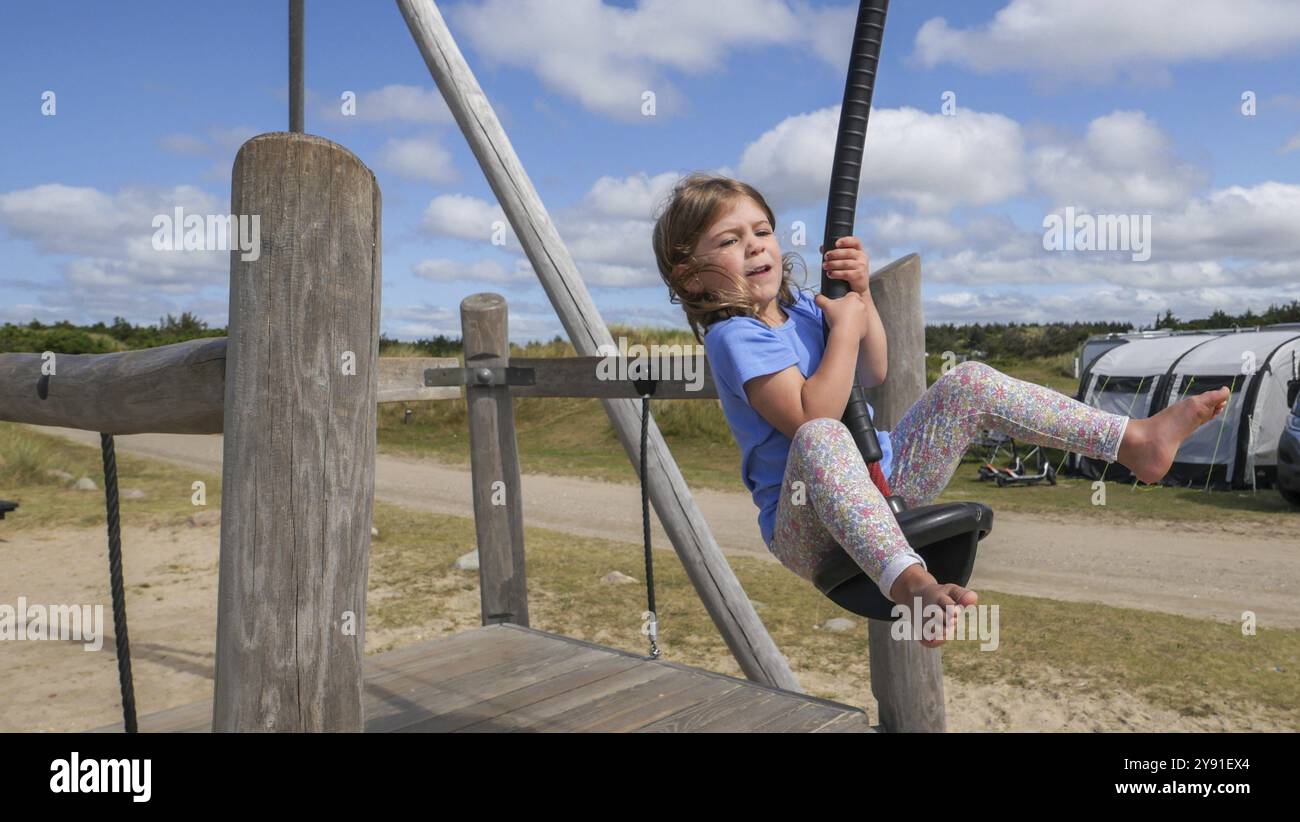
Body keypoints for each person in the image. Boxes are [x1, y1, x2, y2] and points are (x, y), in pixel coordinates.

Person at [652, 173, 1229, 647]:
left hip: (882, 480)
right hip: (808, 523)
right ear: (689, 275)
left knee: (970, 383)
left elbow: (873, 372)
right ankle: (912, 585)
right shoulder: (734, 336)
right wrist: (846, 332)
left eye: (763, 230)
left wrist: (860, 300)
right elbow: (811, 418)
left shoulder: (803, 305)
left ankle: (1133, 441)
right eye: (729, 240)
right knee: (823, 438)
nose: (756, 245)